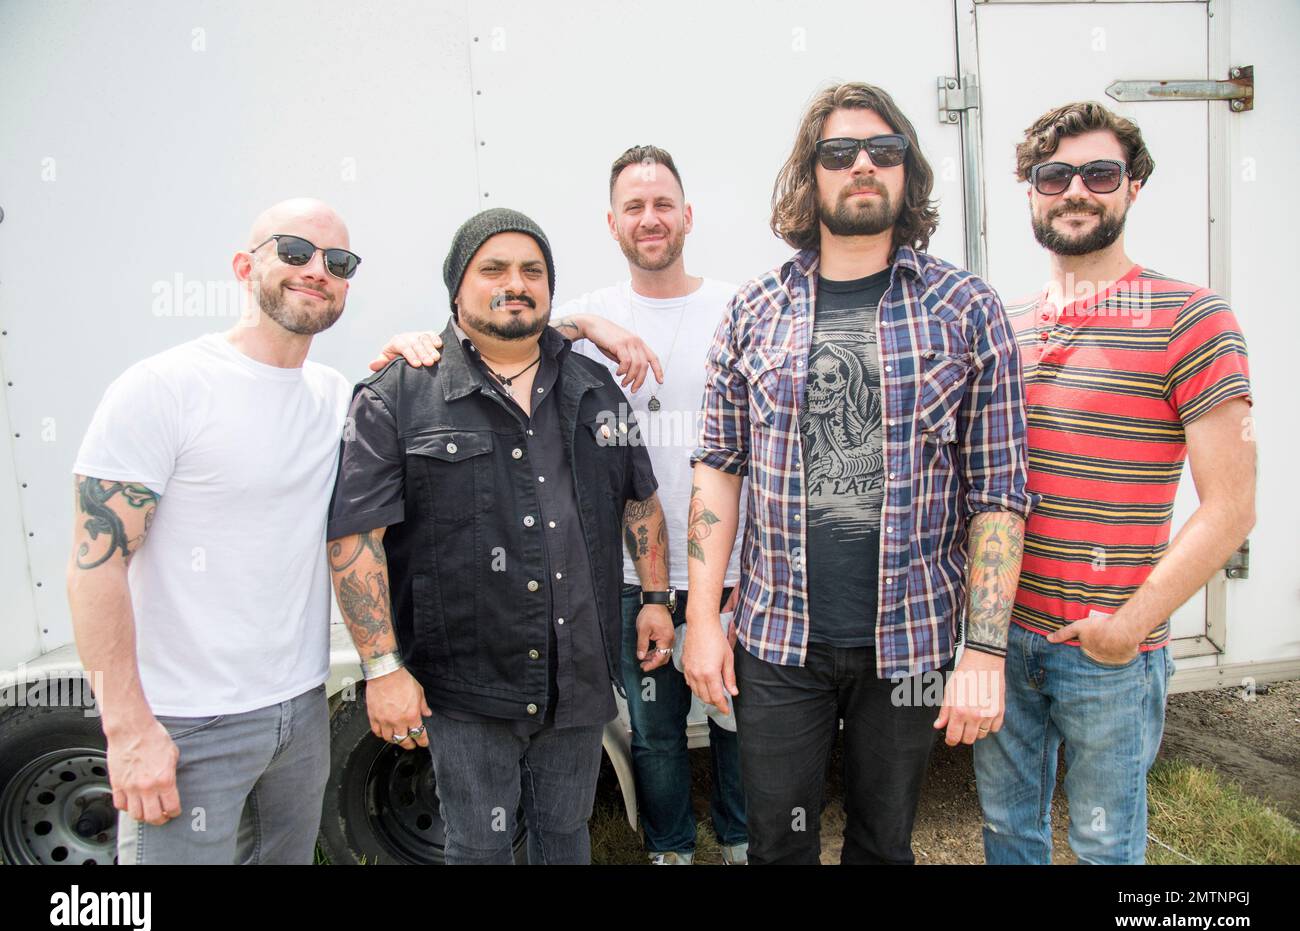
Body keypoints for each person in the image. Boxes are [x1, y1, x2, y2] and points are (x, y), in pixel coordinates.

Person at [684, 82, 1034, 864]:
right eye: (839, 153)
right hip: (777, 643)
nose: (863, 165)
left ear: (908, 173)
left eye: (885, 150)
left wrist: (984, 648)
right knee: (778, 843)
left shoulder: (967, 309)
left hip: (912, 643)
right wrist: (704, 619)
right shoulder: (755, 310)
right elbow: (716, 469)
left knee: (884, 843)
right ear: (811, 176)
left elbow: (999, 494)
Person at [325, 208, 675, 864]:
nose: (515, 283)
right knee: (480, 847)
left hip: (577, 676)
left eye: (532, 270)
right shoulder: (398, 394)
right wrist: (382, 669)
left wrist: (656, 596)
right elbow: (354, 539)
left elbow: (640, 501)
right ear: (457, 288)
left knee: (565, 836)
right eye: (494, 268)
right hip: (464, 689)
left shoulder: (595, 386)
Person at [974, 101, 1256, 864]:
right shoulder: (1004, 321)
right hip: (1003, 640)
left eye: (1100, 173)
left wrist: (1129, 626)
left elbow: (1231, 507)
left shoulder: (1192, 319)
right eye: (1054, 175)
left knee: (1105, 845)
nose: (1075, 190)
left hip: (1110, 653)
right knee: (1008, 830)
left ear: (1133, 187)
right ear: (1029, 192)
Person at [69, 198, 362, 864]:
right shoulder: (163, 388)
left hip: (302, 709)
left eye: (337, 261)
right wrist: (128, 727)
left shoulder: (334, 395)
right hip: (187, 722)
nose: (316, 269)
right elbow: (94, 563)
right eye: (293, 251)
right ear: (242, 265)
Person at [550, 145, 748, 866]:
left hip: (733, 561)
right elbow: (502, 341)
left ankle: (738, 839)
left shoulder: (735, 304)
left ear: (687, 215)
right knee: (655, 727)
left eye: (663, 203)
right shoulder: (590, 316)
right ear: (612, 223)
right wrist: (587, 327)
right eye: (634, 206)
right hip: (638, 574)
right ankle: (669, 849)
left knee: (736, 717)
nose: (650, 217)